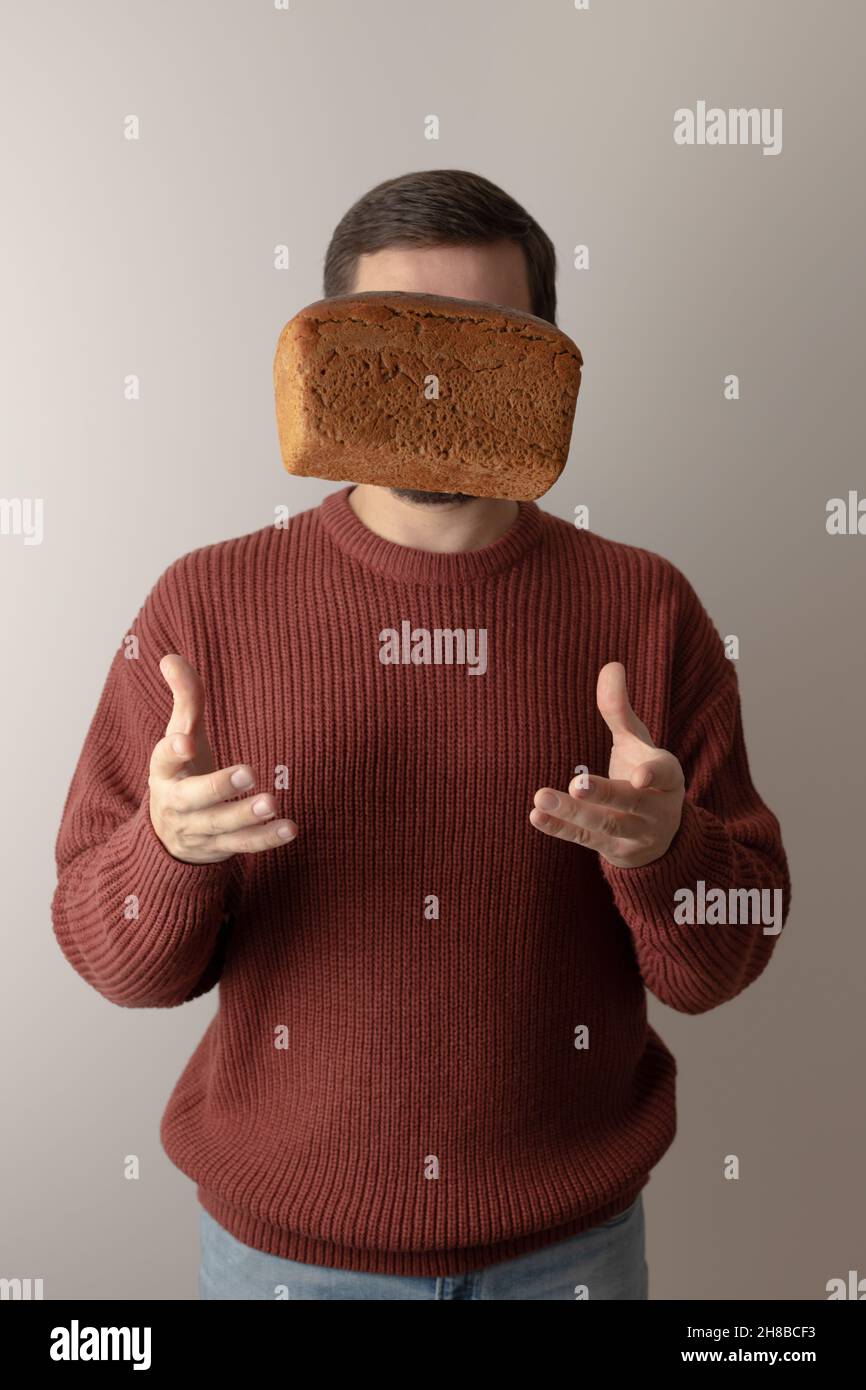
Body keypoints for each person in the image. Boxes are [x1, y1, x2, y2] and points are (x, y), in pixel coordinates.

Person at [51, 168, 791, 1301]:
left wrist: (667, 853)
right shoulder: (203, 606)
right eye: (399, 347)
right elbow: (113, 961)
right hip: (284, 1262)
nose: (441, 381)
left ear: (548, 361)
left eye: (487, 342)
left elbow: (722, 960)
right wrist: (171, 852)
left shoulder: (647, 607)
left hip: (568, 1253)